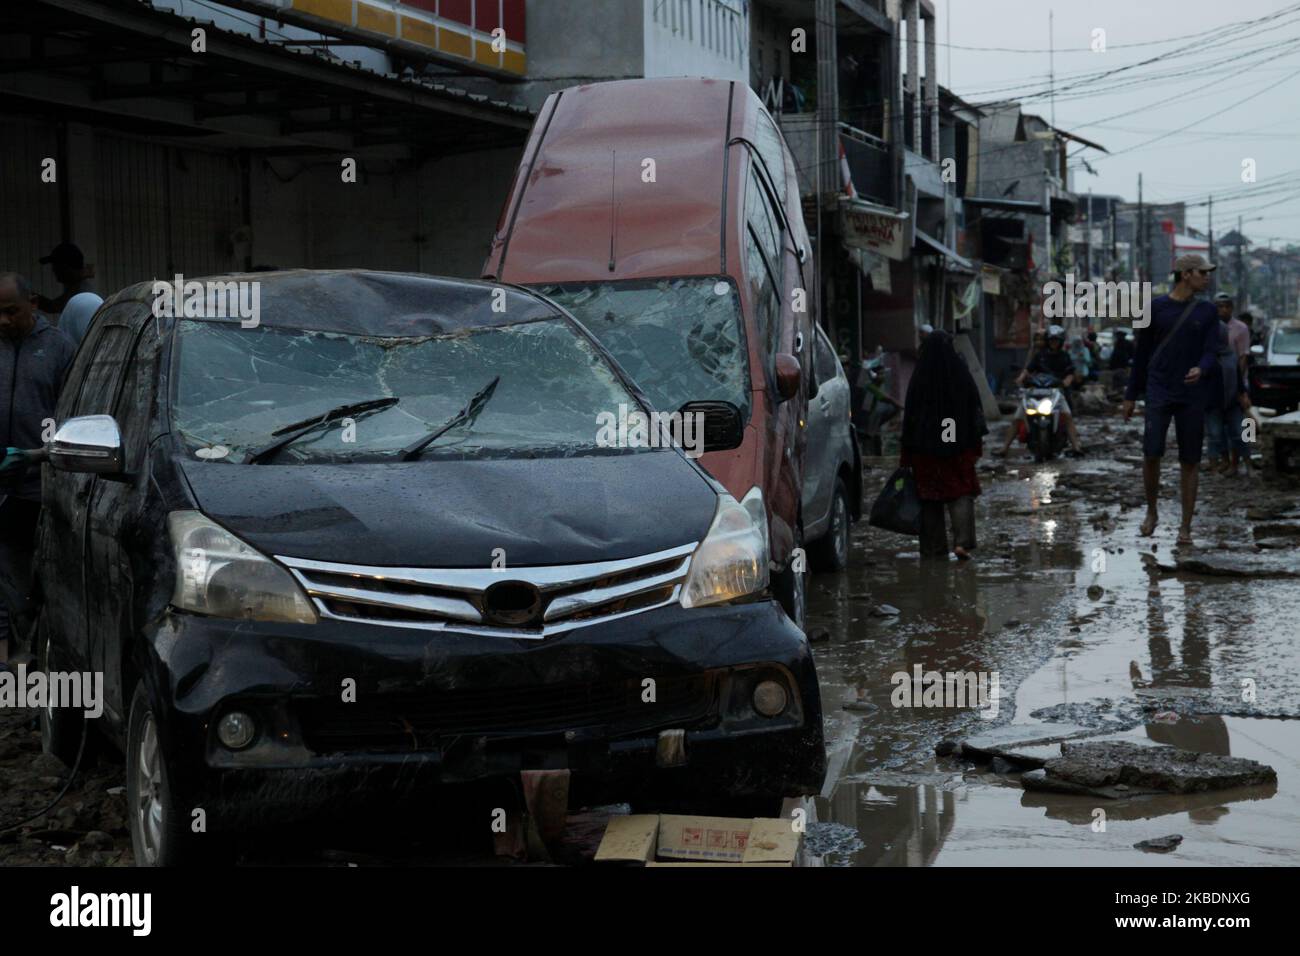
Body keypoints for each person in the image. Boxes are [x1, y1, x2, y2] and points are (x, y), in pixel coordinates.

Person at [0, 273, 76, 666]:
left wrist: (38, 455)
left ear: (32, 303)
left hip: (43, 488)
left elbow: (74, 418)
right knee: (6, 578)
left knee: (46, 578)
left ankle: (42, 654)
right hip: (3, 491)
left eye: (11, 311)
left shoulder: (60, 349)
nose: (3, 320)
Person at [1122, 254, 1221, 546]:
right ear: (1186, 274)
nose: (1207, 277)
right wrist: (1130, 395)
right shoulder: (1154, 309)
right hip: (1159, 389)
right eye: (1202, 272)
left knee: (1190, 459)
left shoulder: (1208, 311)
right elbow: (1141, 355)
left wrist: (1202, 368)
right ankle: (1151, 511)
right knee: (1152, 452)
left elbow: (1212, 350)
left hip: (1192, 393)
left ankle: (1185, 527)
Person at [899, 331, 987, 560]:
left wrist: (907, 455)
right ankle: (962, 543)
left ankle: (933, 550)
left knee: (929, 498)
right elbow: (974, 409)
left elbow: (910, 418)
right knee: (960, 491)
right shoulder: (959, 372)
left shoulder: (920, 375)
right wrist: (974, 445)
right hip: (955, 445)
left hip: (925, 451)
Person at [996, 325, 1084, 456]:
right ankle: (1004, 448)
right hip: (1036, 390)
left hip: (1055, 391)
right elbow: (1028, 369)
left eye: (1056, 340)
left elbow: (1070, 372)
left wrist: (1067, 381)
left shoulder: (1064, 356)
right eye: (1051, 340)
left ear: (1061, 341)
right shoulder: (1040, 355)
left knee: (1067, 416)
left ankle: (1076, 446)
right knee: (1017, 418)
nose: (1054, 343)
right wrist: (1021, 378)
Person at [35, 241, 94, 319]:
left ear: (66, 267)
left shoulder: (81, 294)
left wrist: (29, 296)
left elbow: (54, 306)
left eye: (56, 265)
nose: (53, 270)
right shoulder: (78, 287)